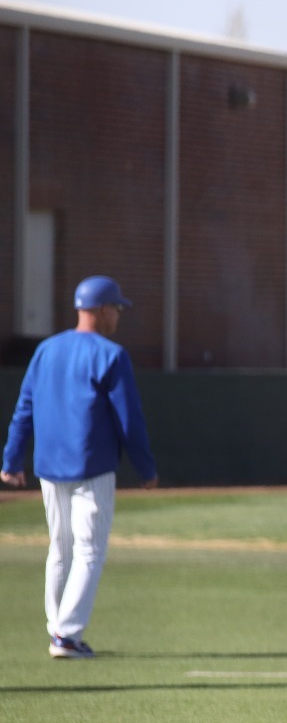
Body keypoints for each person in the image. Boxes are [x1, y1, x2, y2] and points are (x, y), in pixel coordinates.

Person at [1, 275, 159, 659]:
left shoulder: (46, 350)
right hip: (92, 466)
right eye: (116, 309)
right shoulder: (111, 354)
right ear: (102, 310)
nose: (118, 317)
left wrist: (11, 459)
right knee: (88, 551)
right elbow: (129, 418)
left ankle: (58, 629)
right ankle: (67, 636)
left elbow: (25, 408)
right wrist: (145, 467)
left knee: (60, 549)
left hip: (49, 467)